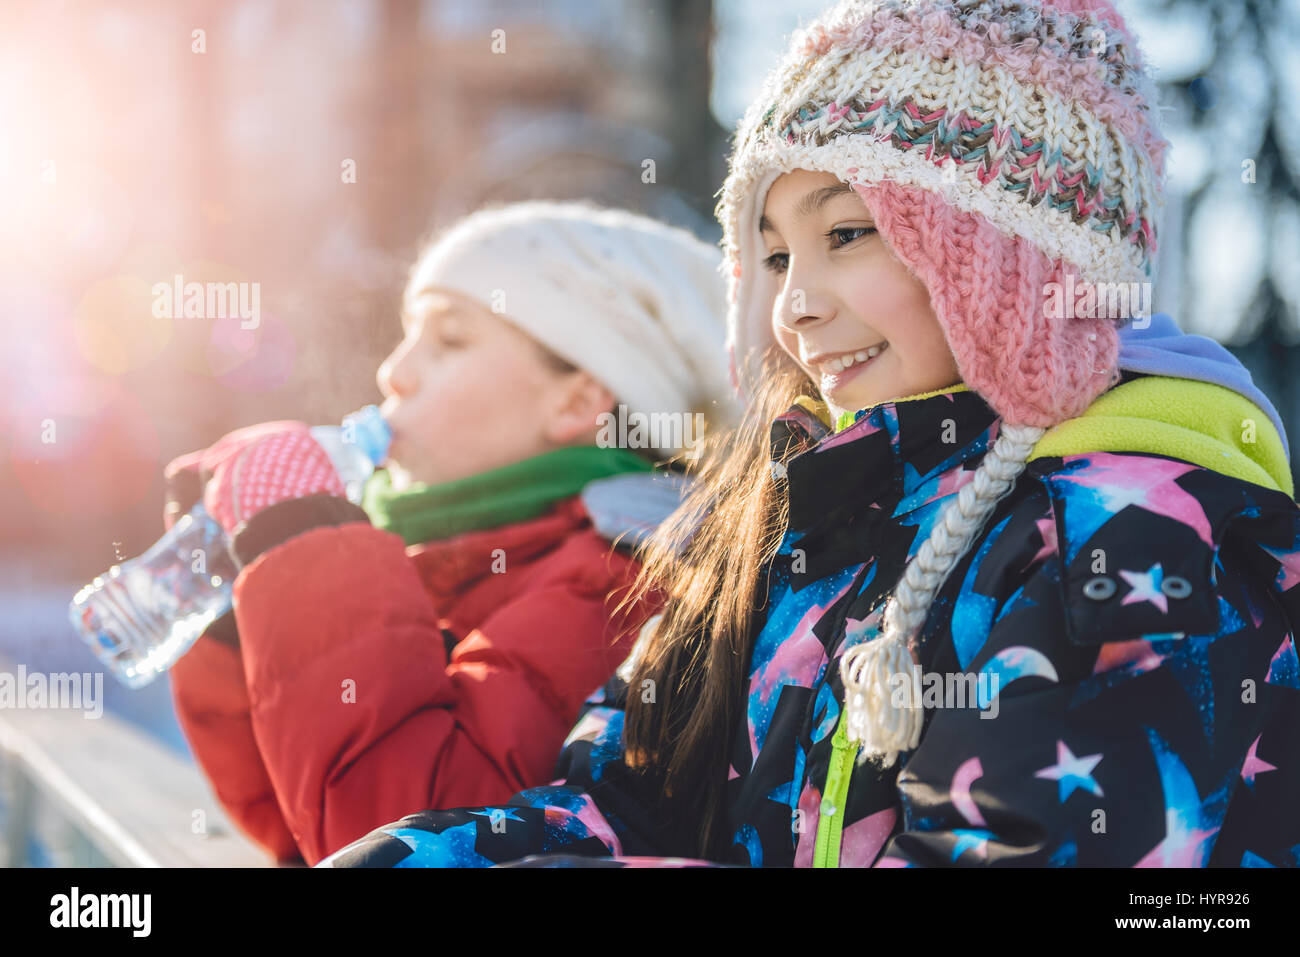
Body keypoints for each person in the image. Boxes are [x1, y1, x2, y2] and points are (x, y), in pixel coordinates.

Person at [320, 0, 1300, 868]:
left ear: (1011, 251)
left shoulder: (1142, 542)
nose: (795, 305)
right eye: (774, 252)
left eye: (845, 234)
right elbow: (620, 801)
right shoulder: (779, 521)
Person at [162, 201, 739, 865]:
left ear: (577, 401)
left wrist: (304, 550)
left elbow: (394, 833)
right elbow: (292, 820)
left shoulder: (622, 574)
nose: (394, 372)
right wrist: (241, 601)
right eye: (409, 336)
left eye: (450, 340)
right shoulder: (451, 553)